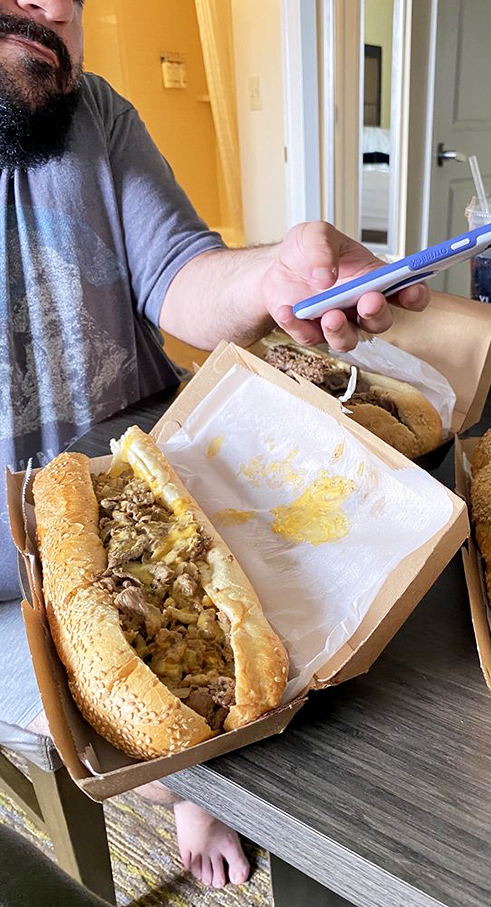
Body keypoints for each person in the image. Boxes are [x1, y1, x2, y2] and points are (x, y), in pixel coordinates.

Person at [0, 0, 430, 890]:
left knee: (361, 661)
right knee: (162, 756)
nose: (60, 8)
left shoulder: (95, 109)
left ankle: (200, 778)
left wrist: (273, 277)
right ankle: (188, 790)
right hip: (7, 586)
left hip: (168, 464)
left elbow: (179, 274)